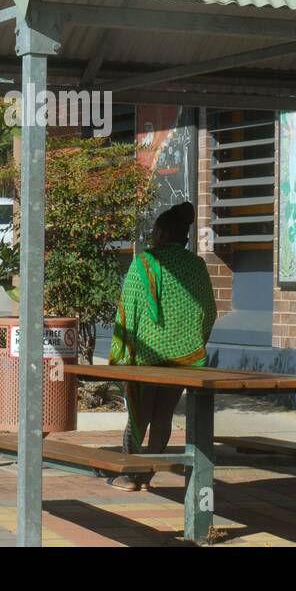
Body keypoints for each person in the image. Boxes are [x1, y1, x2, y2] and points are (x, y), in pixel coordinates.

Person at [106, 201, 217, 490]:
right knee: (163, 416)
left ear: (163, 233)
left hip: (146, 356)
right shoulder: (197, 265)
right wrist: (193, 341)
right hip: (183, 358)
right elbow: (208, 310)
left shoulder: (145, 262)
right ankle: (147, 474)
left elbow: (128, 309)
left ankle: (131, 475)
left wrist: (121, 351)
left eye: (155, 231)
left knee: (138, 415)